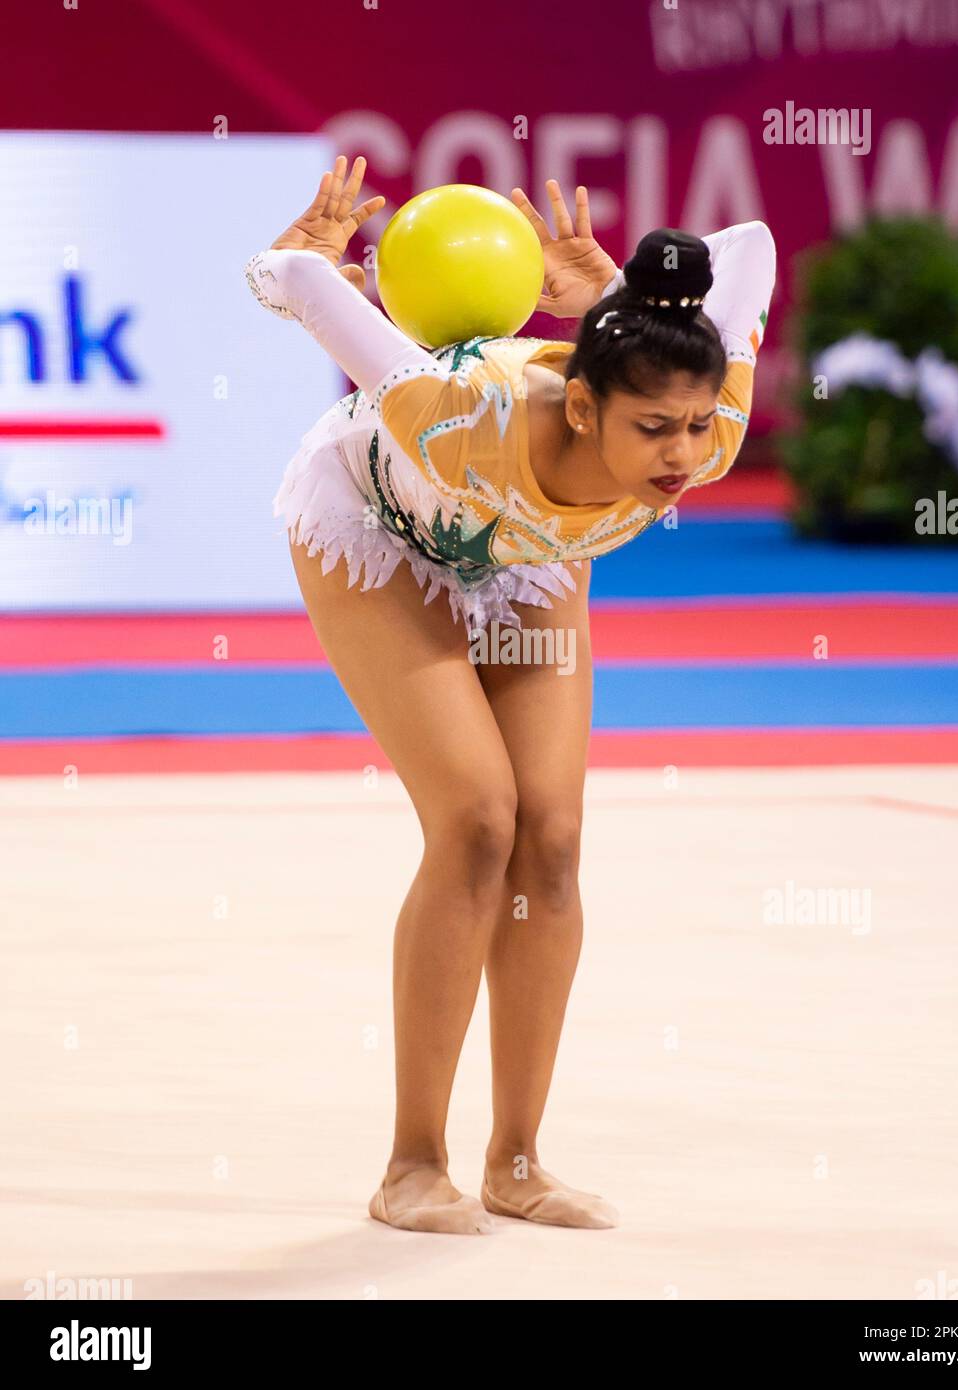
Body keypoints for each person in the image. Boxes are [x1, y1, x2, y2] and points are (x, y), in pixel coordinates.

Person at [245, 154, 776, 1234]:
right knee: (479, 820)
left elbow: (750, 249)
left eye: (692, 426)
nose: (682, 458)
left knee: (555, 837)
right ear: (581, 407)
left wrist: (618, 298)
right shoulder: (462, 409)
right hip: (381, 520)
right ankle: (412, 1164)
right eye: (651, 431)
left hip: (530, 542)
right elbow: (299, 289)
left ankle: (520, 1159)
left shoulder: (707, 421)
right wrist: (299, 261)